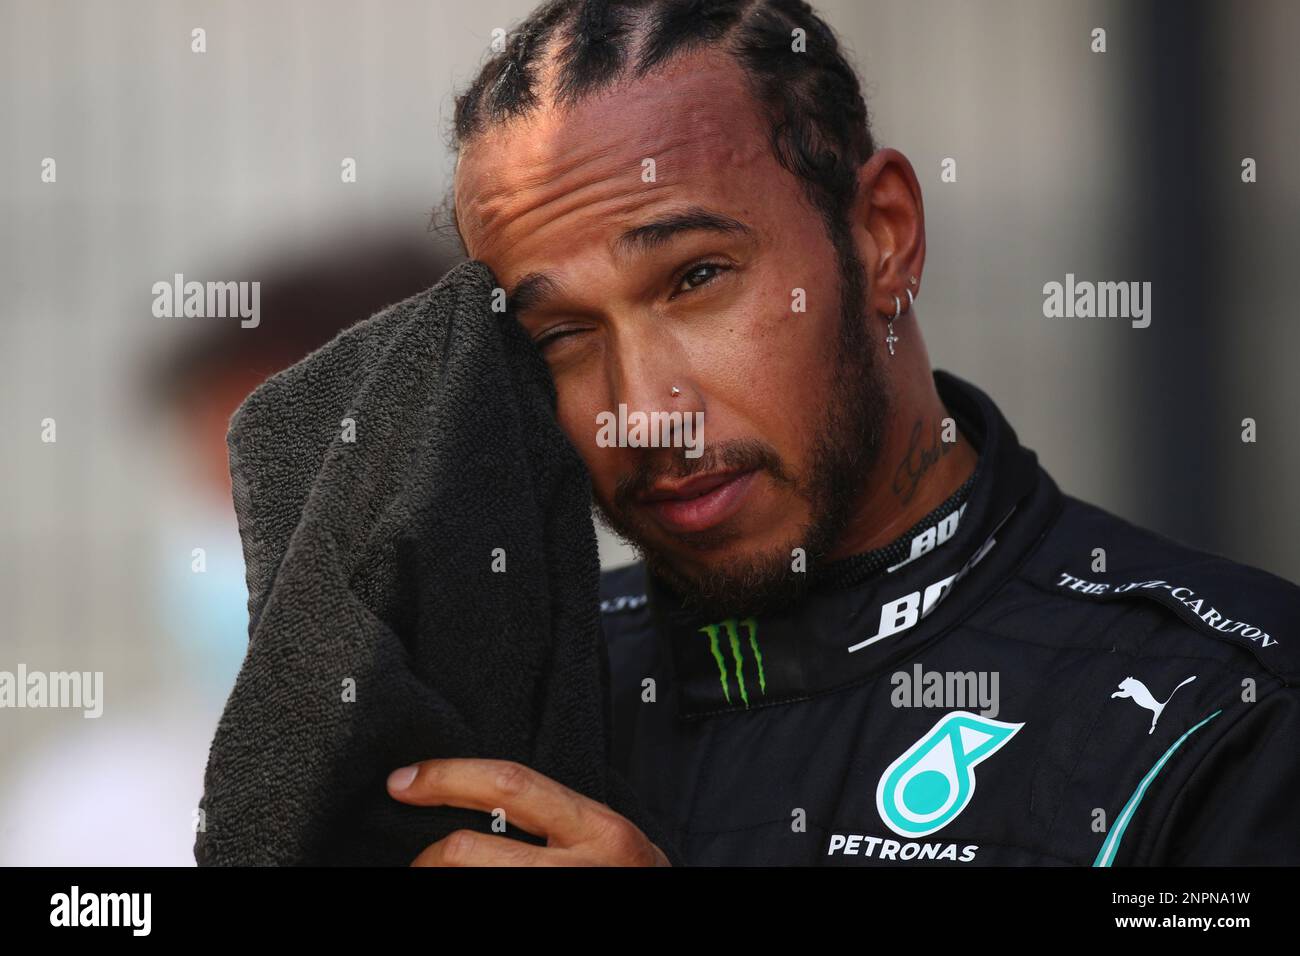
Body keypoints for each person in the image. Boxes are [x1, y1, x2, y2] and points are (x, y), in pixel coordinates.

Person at [383, 0, 1300, 865]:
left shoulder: (1231, 711)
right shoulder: (507, 717)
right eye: (561, 337)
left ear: (882, 237)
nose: (645, 410)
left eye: (696, 277)